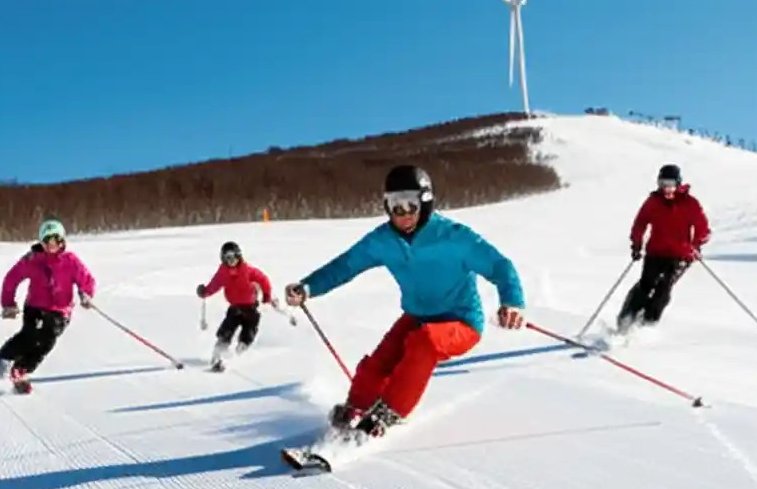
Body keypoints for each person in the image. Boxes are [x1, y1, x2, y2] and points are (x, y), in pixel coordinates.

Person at [284, 164, 526, 438]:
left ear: (426, 201)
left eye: (410, 205)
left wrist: (512, 300)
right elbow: (345, 266)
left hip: (461, 323)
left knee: (423, 342)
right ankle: (357, 408)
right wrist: (308, 287)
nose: (402, 214)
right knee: (379, 363)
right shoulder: (383, 240)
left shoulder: (454, 237)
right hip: (416, 316)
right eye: (394, 206)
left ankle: (389, 412)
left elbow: (500, 266)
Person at [0, 219, 96, 391]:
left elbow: (87, 280)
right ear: (41, 242)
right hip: (35, 306)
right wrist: (8, 303)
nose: (52, 244)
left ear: (62, 240)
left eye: (56, 239)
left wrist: (86, 294)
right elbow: (11, 280)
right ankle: (2, 361)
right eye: (47, 240)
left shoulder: (71, 261)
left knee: (47, 339)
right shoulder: (33, 260)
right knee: (30, 334)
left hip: (60, 311)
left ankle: (20, 369)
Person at [616, 164, 710, 332]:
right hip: (655, 252)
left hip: (680, 255)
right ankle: (626, 318)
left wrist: (696, 245)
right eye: (662, 184)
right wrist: (637, 245)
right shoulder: (653, 201)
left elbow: (703, 228)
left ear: (678, 184)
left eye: (670, 183)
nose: (666, 188)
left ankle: (647, 324)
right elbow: (640, 223)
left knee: (664, 287)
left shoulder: (690, 203)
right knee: (646, 284)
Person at [196, 241, 276, 370]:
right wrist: (205, 292)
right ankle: (218, 354)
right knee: (226, 330)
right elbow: (214, 285)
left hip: (250, 308)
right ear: (223, 258)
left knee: (249, 331)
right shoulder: (223, 273)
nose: (231, 260)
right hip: (235, 308)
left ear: (239, 256)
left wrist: (267, 294)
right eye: (227, 258)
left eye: (234, 257)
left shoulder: (248, 270)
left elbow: (263, 280)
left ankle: (240, 353)